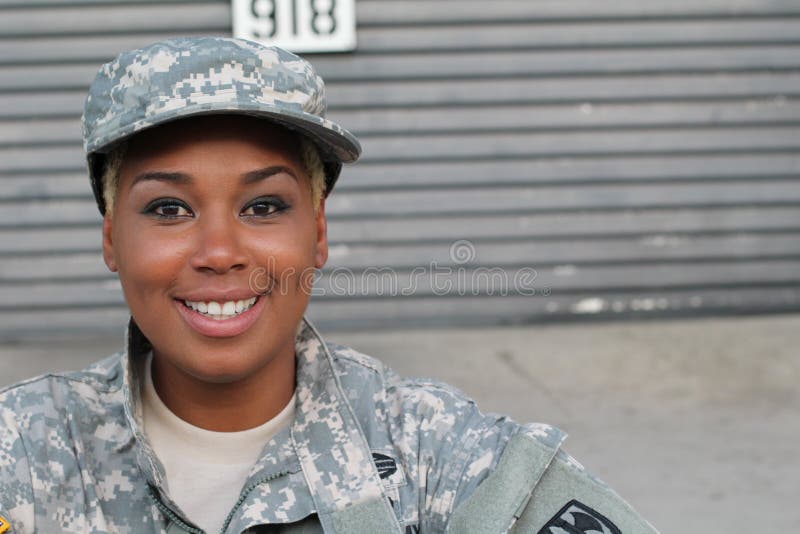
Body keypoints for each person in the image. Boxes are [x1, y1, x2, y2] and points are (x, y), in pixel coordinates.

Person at [0, 37, 657, 533]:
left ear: (317, 232)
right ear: (112, 238)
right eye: (169, 209)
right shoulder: (24, 448)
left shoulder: (432, 452)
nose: (221, 253)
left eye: (263, 207)